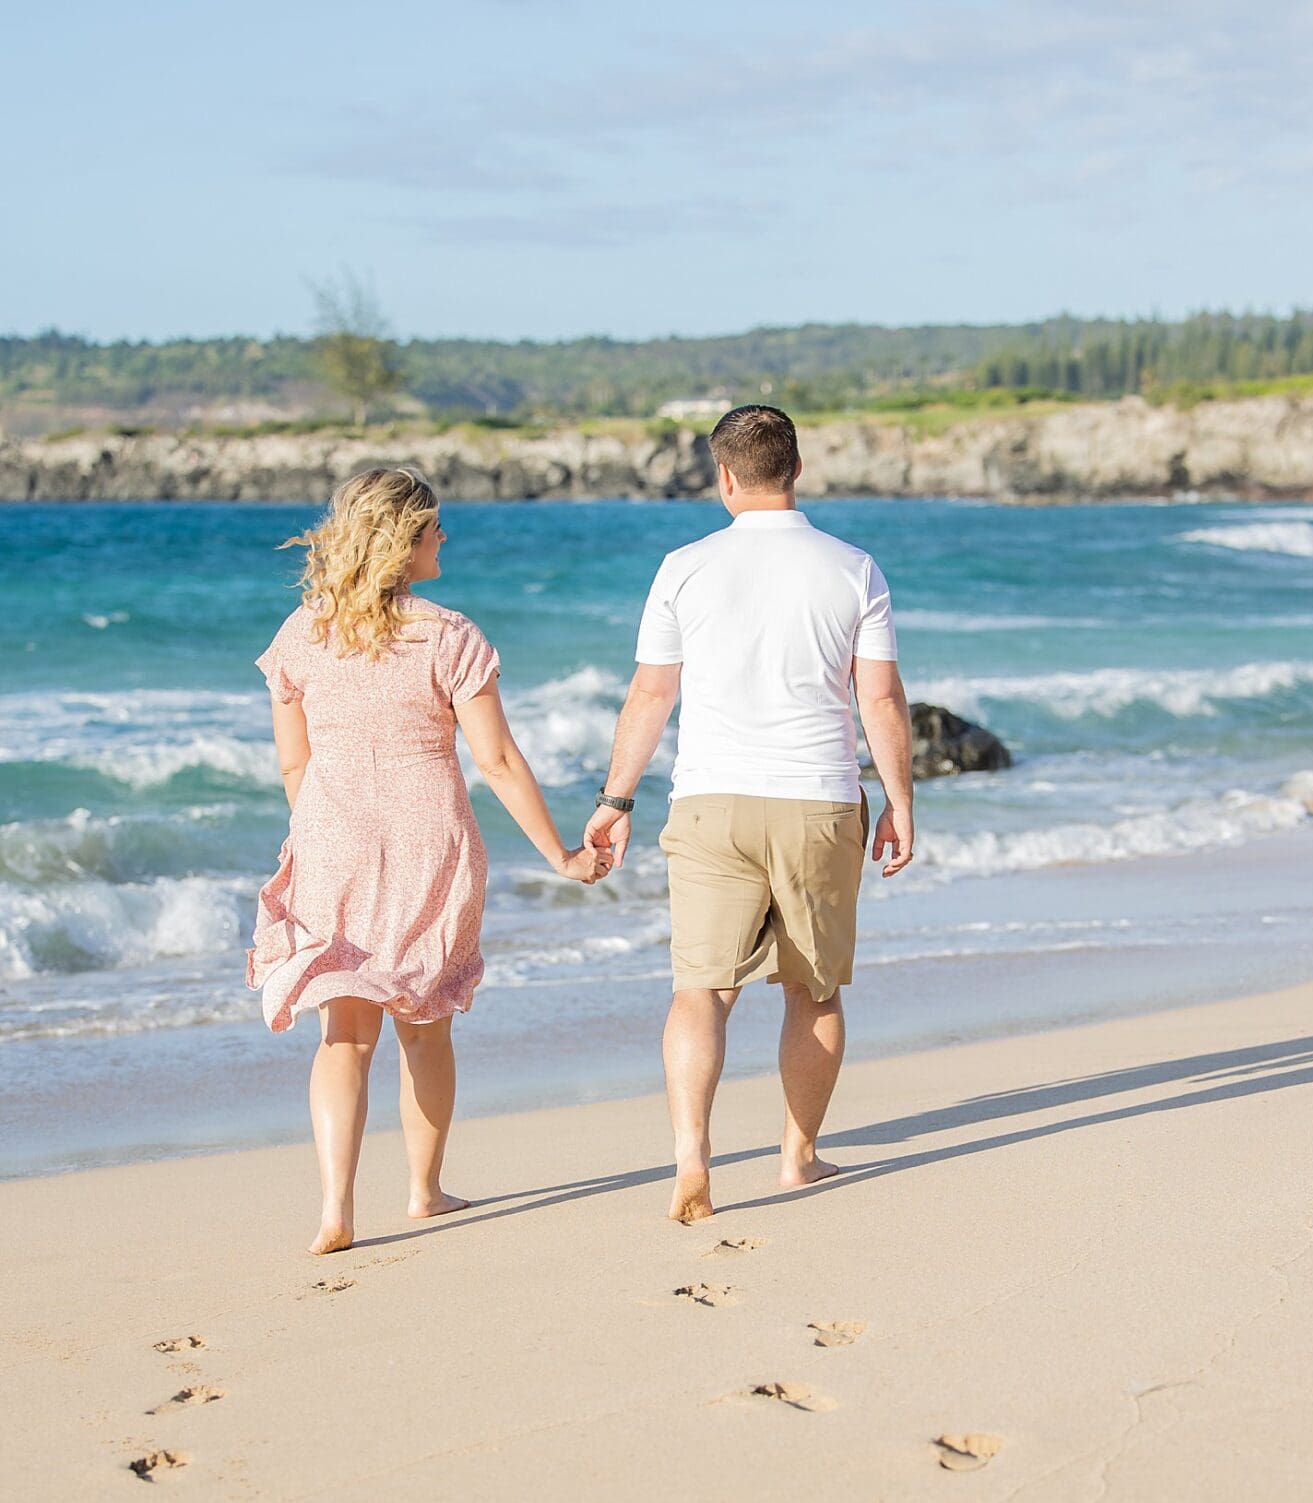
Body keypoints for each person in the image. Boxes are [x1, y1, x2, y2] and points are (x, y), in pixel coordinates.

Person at [247, 466, 607, 1255]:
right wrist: (560, 855)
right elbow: (498, 761)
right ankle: (423, 1190)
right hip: (430, 844)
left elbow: (294, 766)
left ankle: (335, 1210)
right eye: (434, 526)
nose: (444, 537)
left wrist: (317, 837)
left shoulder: (302, 633)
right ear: (404, 541)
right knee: (424, 1027)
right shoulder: (449, 636)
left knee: (343, 1035)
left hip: (333, 843)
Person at [582, 405, 915, 1224]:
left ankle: (691, 1157)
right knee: (813, 991)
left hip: (710, 802)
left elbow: (651, 693)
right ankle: (797, 1157)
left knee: (699, 989)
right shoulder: (853, 568)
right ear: (796, 469)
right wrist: (900, 802)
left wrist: (614, 799)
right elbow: (877, 697)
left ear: (723, 476)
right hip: (816, 801)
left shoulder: (683, 567)